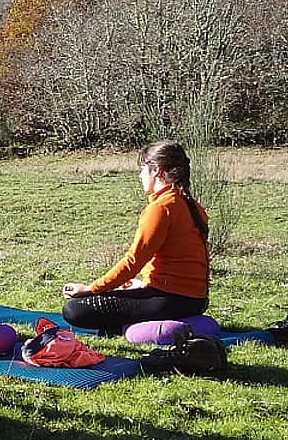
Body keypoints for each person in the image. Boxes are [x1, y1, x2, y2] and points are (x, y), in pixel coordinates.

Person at [61, 139, 209, 334]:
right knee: (125, 293)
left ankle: (137, 329)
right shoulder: (191, 205)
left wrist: (91, 289)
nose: (140, 175)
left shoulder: (161, 208)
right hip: (197, 301)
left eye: (142, 169)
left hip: (171, 300)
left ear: (156, 170)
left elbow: (133, 261)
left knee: (74, 309)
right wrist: (144, 283)